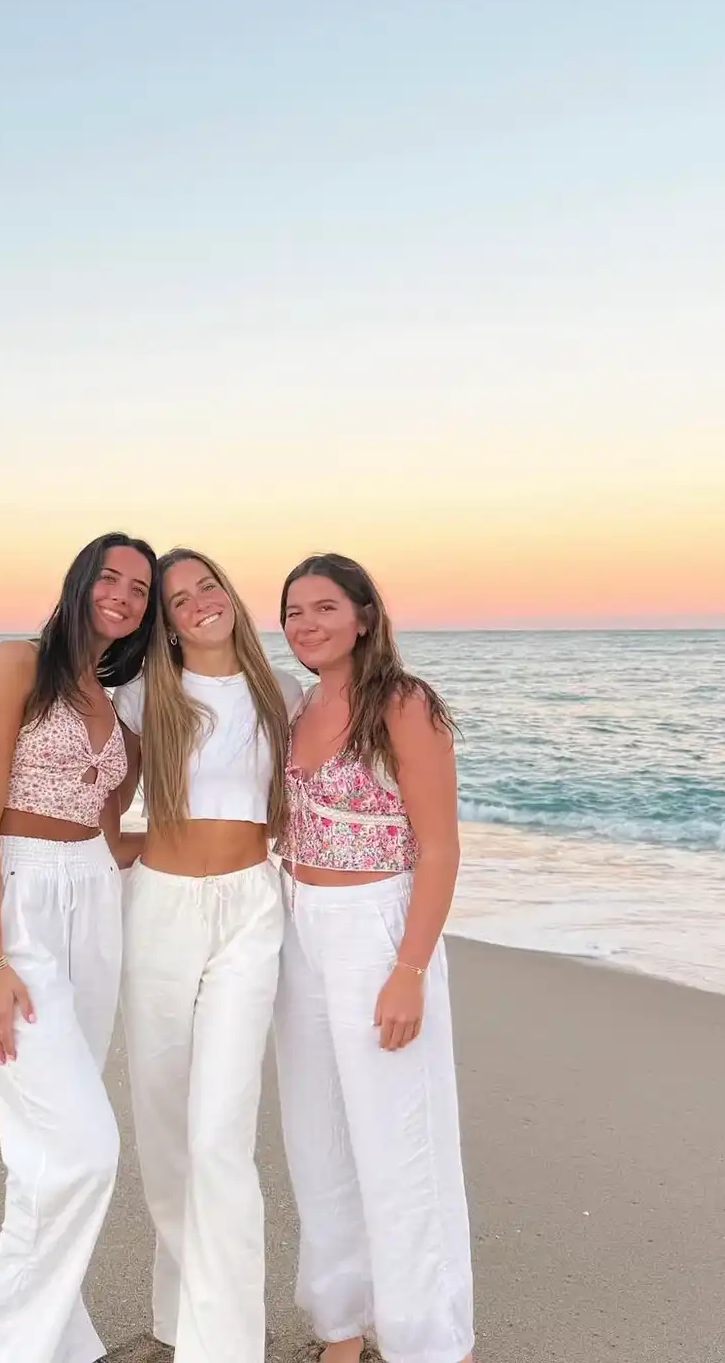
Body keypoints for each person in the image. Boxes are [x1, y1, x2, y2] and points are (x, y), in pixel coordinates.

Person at [0, 532, 157, 1363]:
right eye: (111, 577)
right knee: (85, 1147)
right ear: (80, 582)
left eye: (140, 589)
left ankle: (58, 1339)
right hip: (16, 899)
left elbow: (110, 837)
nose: (124, 595)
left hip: (93, 903)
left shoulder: (118, 710)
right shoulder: (17, 666)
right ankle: (0, 1328)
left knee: (47, 1147)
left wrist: (222, 851)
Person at [274, 553, 474, 1363]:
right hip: (298, 924)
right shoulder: (297, 707)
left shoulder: (403, 703)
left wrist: (409, 970)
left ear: (363, 617)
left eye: (325, 607)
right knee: (316, 1132)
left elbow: (440, 847)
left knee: (400, 1139)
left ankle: (431, 1339)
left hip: (378, 927)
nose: (307, 624)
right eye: (294, 611)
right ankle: (342, 1322)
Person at [110, 547, 304, 1363]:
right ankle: (176, 1313)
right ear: (166, 622)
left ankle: (225, 1343)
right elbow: (103, 807)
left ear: (229, 592)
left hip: (252, 910)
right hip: (160, 911)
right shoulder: (141, 695)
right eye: (178, 599)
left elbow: (302, 804)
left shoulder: (280, 692)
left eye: (207, 587)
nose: (198, 604)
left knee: (222, 1131)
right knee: (164, 1127)